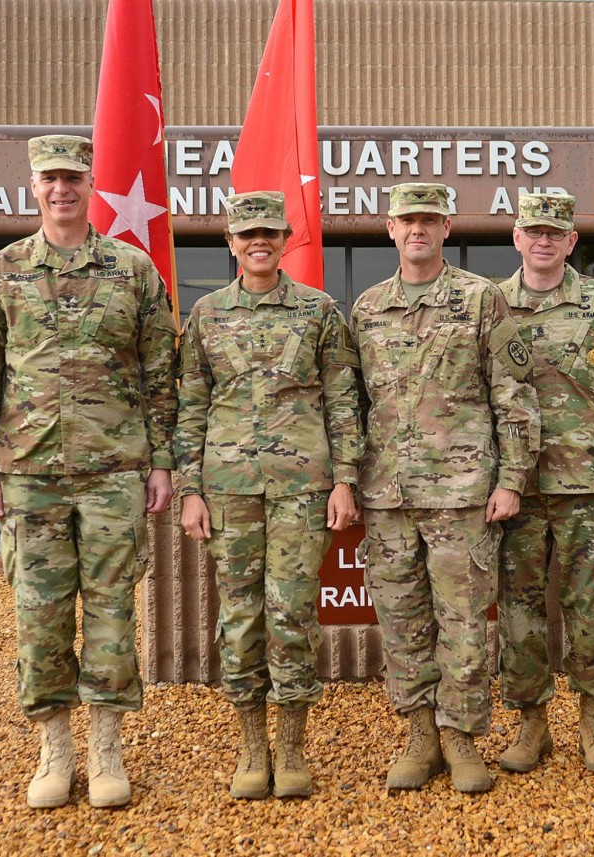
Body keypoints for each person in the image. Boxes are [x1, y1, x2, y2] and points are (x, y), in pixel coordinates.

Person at [0, 135, 179, 809]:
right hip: (29, 474)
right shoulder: (2, 272)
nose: (62, 189)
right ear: (34, 186)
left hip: (114, 472)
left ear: (90, 184)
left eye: (73, 177)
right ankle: (55, 750)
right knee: (40, 615)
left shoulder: (132, 271)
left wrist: (162, 461)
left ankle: (107, 750)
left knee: (112, 612)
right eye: (50, 178)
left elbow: (160, 377)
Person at [351, 182, 540, 793]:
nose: (418, 230)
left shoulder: (480, 300)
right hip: (388, 495)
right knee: (403, 620)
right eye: (408, 220)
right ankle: (419, 736)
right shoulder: (367, 307)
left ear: (446, 228)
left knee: (462, 621)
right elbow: (350, 405)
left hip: (462, 493)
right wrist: (347, 481)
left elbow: (513, 394)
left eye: (429, 220)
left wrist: (512, 478)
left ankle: (461, 737)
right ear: (390, 228)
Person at [175, 191, 362, 800]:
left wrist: (344, 480)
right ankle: (252, 746)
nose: (259, 242)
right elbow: (191, 408)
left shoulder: (319, 312)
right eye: (246, 233)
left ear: (286, 241)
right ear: (230, 243)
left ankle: (291, 745)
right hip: (228, 490)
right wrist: (189, 490)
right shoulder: (205, 315)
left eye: (269, 233)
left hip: (302, 490)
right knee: (240, 617)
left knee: (292, 613)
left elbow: (342, 399)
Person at [495, 193, 594, 775]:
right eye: (533, 230)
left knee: (592, 611)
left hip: (589, 486)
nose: (543, 240)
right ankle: (531, 723)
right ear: (516, 236)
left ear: (571, 241)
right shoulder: (493, 306)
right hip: (519, 490)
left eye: (554, 232)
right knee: (520, 613)